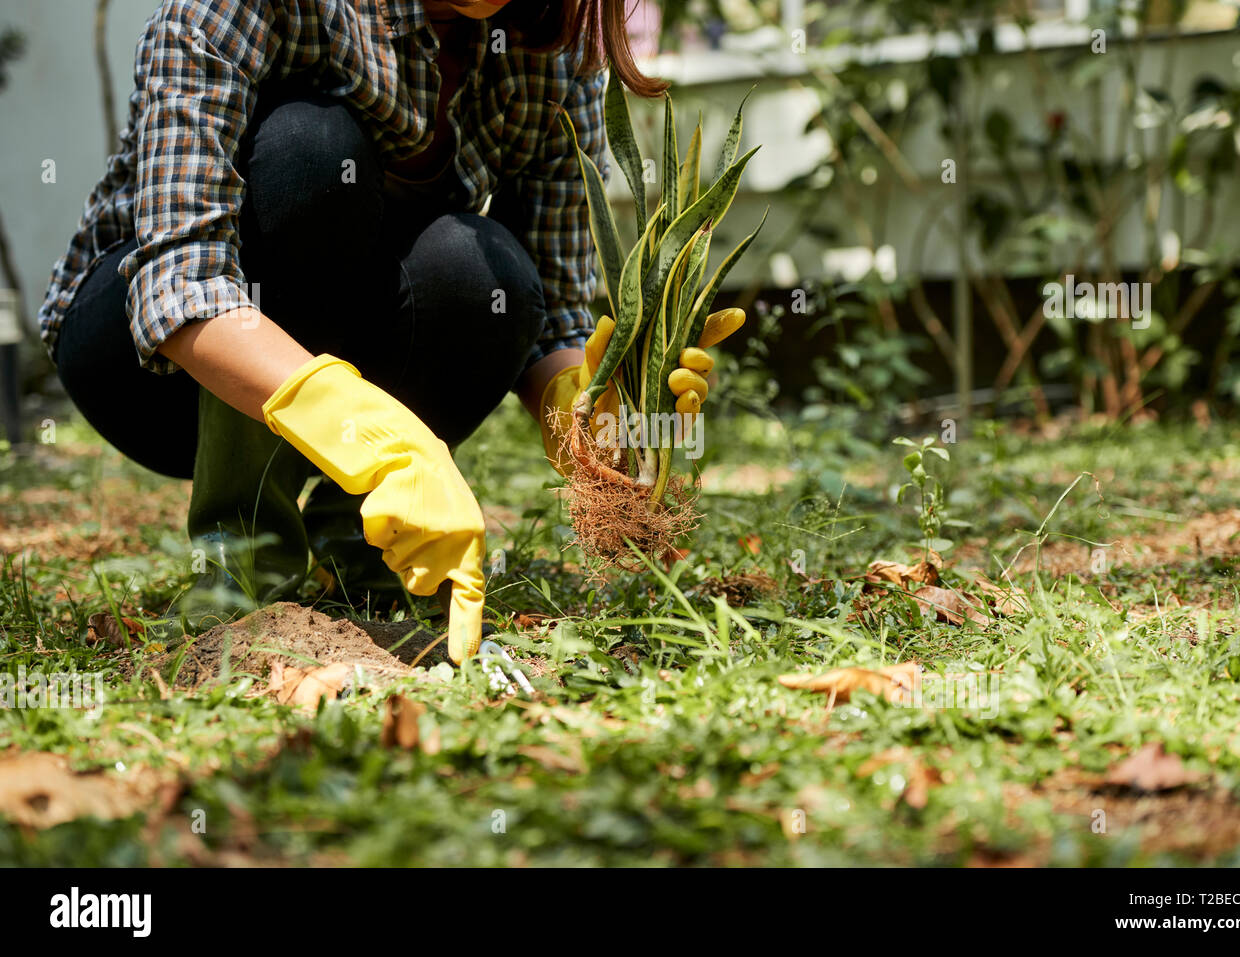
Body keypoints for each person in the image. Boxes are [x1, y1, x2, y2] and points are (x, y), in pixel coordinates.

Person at [38, 0, 739, 665]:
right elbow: (178, 279)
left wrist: (592, 407)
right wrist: (358, 428)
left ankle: (367, 547)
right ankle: (242, 556)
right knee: (307, 149)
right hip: (151, 368)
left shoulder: (549, 47)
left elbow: (551, 309)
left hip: (350, 333)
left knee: (484, 268)